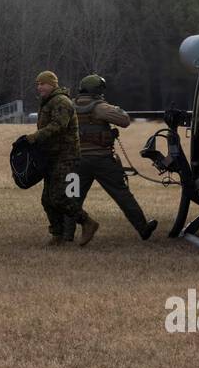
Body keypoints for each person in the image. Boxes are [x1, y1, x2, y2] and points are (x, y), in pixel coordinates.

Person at [72, 74, 158, 244]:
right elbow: (124, 120)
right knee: (122, 195)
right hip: (102, 160)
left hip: (78, 162)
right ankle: (143, 228)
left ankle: (67, 235)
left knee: (71, 198)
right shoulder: (100, 107)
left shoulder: (69, 107)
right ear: (98, 91)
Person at [22, 70, 97, 246]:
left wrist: (35, 137)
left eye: (43, 84)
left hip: (66, 156)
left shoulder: (61, 102)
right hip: (52, 156)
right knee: (47, 200)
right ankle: (58, 235)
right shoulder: (48, 102)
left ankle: (87, 222)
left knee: (59, 197)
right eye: (38, 84)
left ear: (52, 84)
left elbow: (58, 126)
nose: (39, 87)